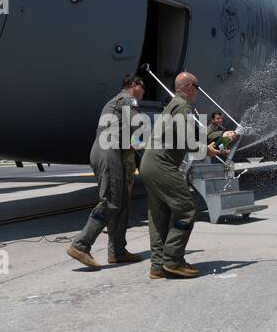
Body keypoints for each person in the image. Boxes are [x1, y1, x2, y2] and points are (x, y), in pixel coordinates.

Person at [67, 74, 145, 268]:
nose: (144, 93)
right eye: (143, 88)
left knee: (122, 202)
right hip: (109, 151)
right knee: (110, 200)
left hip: (110, 151)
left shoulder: (116, 103)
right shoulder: (127, 99)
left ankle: (117, 251)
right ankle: (80, 245)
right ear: (134, 85)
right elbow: (139, 125)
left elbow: (132, 136)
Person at [140, 71, 205, 279]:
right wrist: (211, 149)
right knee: (186, 209)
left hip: (148, 163)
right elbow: (189, 141)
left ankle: (158, 266)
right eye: (197, 87)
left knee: (159, 217)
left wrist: (213, 138)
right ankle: (173, 260)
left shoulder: (172, 105)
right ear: (188, 87)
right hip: (162, 164)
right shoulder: (183, 106)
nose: (198, 91)